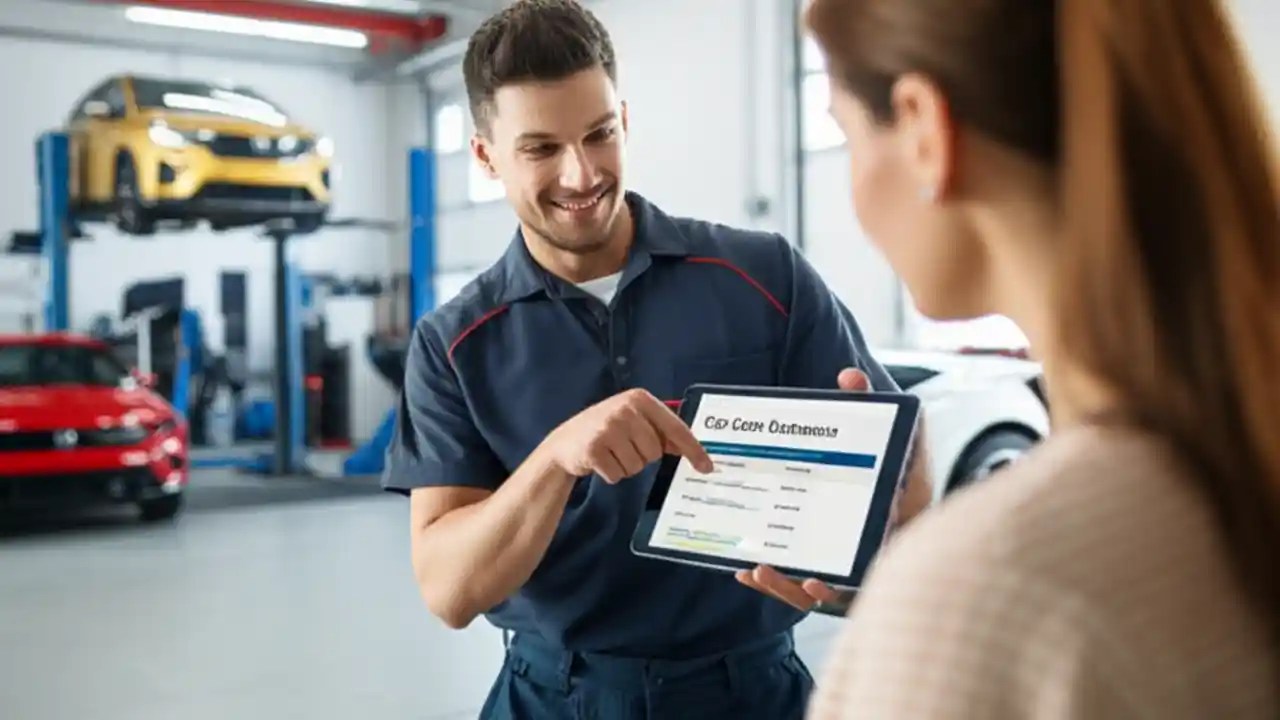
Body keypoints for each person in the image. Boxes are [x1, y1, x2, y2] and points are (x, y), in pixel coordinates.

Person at [381, 1, 931, 718]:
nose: (581, 175)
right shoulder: (454, 342)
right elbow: (450, 591)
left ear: (625, 121)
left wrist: (855, 561)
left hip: (753, 692)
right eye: (541, 149)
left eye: (599, 135)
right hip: (555, 697)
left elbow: (904, 474)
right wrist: (554, 460)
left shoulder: (765, 275)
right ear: (486, 156)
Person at [799, 0, 1280, 717]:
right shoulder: (1229, 458)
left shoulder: (988, 592)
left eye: (846, 132)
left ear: (924, 130)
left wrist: (928, 596)